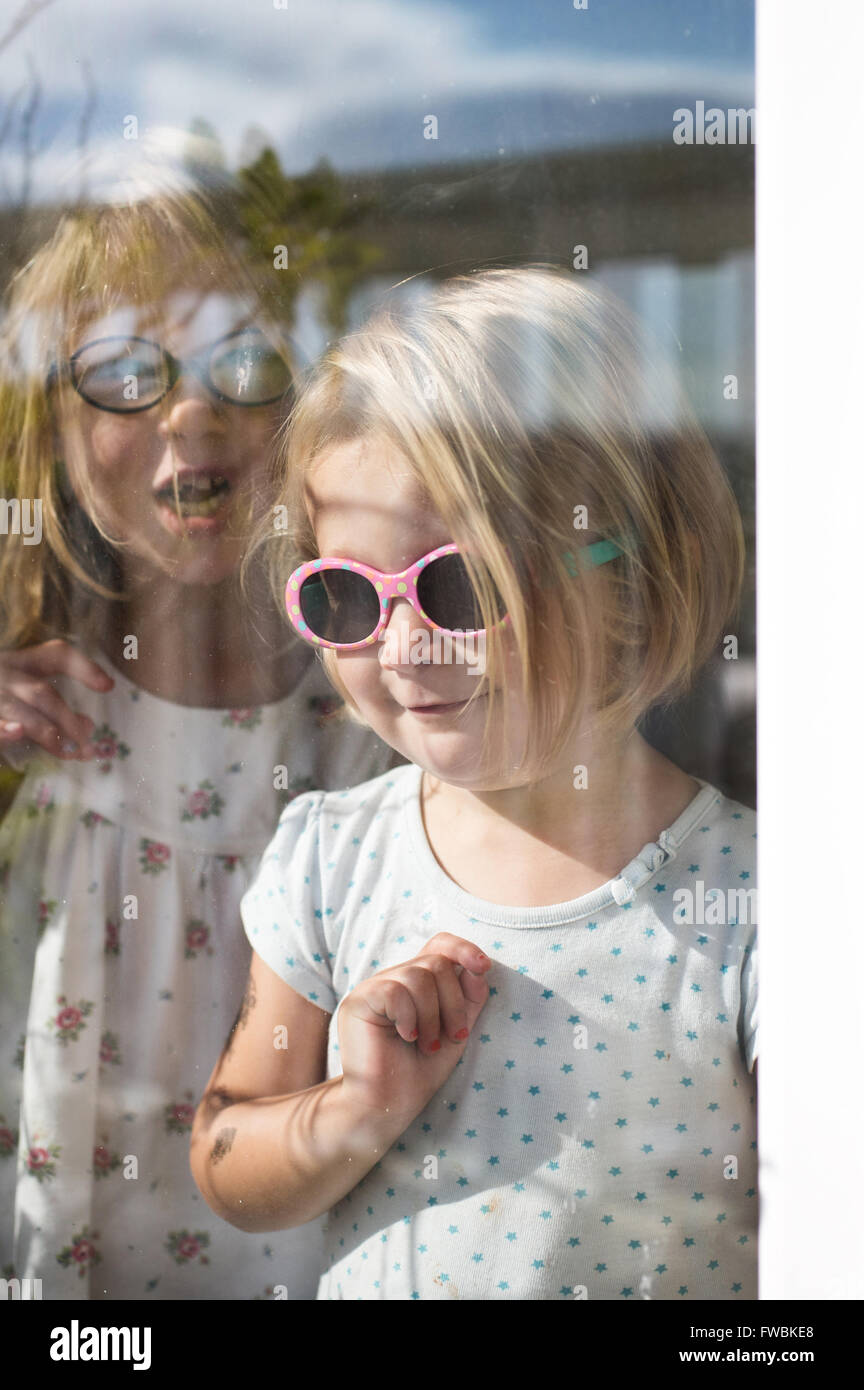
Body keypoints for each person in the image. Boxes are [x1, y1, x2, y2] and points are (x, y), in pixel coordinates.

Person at [191, 266, 758, 1301]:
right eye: (347, 595)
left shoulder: (752, 900)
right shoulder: (332, 858)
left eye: (459, 582)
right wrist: (353, 1109)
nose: (402, 642)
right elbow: (226, 1156)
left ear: (632, 574)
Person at [0, 186, 390, 1298]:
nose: (188, 412)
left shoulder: (371, 715)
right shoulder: (38, 705)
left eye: (242, 363)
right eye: (122, 374)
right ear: (53, 429)